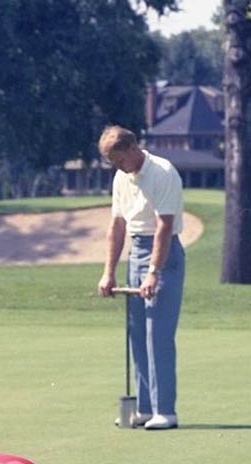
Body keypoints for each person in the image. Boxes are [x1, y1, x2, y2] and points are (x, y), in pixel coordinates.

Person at [95, 125, 185, 430]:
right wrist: (109, 272)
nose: (119, 167)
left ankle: (165, 411)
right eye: (114, 163)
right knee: (137, 335)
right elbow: (117, 227)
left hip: (165, 255)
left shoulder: (162, 172)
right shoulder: (122, 177)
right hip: (136, 252)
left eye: (120, 160)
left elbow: (164, 227)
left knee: (156, 335)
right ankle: (145, 408)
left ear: (133, 148)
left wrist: (153, 273)